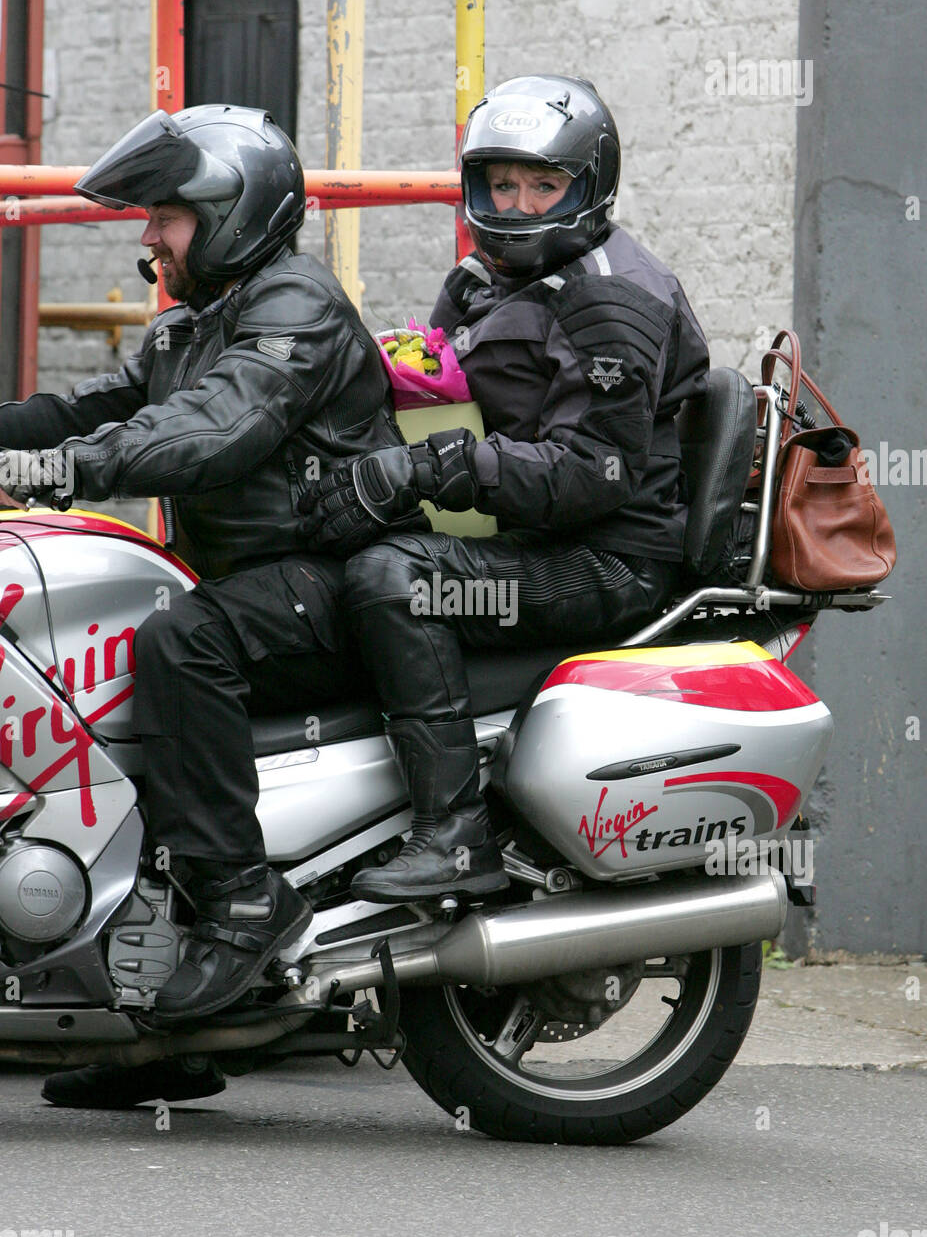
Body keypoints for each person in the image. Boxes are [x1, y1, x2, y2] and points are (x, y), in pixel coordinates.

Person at [0, 104, 419, 1106]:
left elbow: (213, 431)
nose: (148, 235)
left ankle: (243, 898)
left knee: (178, 643)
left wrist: (62, 469)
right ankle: (154, 1019)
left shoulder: (294, 310)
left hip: (329, 578)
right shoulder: (198, 314)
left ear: (231, 213)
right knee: (110, 707)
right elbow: (93, 404)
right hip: (253, 578)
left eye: (167, 216)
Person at [300, 74, 711, 902]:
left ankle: (455, 834)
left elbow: (592, 472)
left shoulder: (610, 299)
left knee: (397, 581)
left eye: (543, 185)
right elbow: (445, 390)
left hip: (605, 558)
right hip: (520, 532)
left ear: (587, 185)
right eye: (502, 182)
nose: (518, 204)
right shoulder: (483, 279)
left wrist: (430, 468)